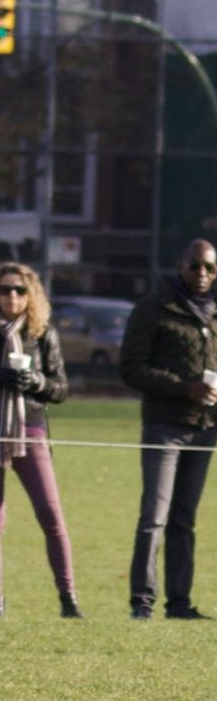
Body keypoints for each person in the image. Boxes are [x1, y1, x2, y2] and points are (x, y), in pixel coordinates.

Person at [121, 240, 217, 621]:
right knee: (154, 516)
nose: (201, 273)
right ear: (180, 265)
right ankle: (142, 602)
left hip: (204, 428)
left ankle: (180, 603)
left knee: (184, 520)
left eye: (209, 267)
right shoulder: (153, 308)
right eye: (194, 265)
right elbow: (132, 367)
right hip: (164, 426)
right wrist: (183, 388)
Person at [0, 262, 79, 619]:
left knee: (51, 515)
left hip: (31, 430)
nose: (12, 296)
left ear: (31, 295)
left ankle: (68, 599)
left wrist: (36, 383)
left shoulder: (42, 333)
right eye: (5, 290)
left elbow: (60, 389)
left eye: (19, 290)